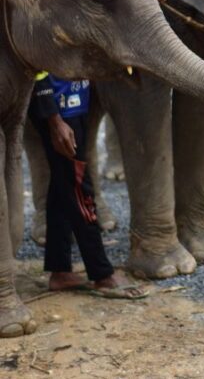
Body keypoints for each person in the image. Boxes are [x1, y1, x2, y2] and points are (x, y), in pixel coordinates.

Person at [28, 73, 148, 299]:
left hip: (74, 105)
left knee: (61, 186)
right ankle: (102, 275)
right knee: (80, 188)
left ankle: (60, 271)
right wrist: (54, 120)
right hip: (60, 112)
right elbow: (38, 67)